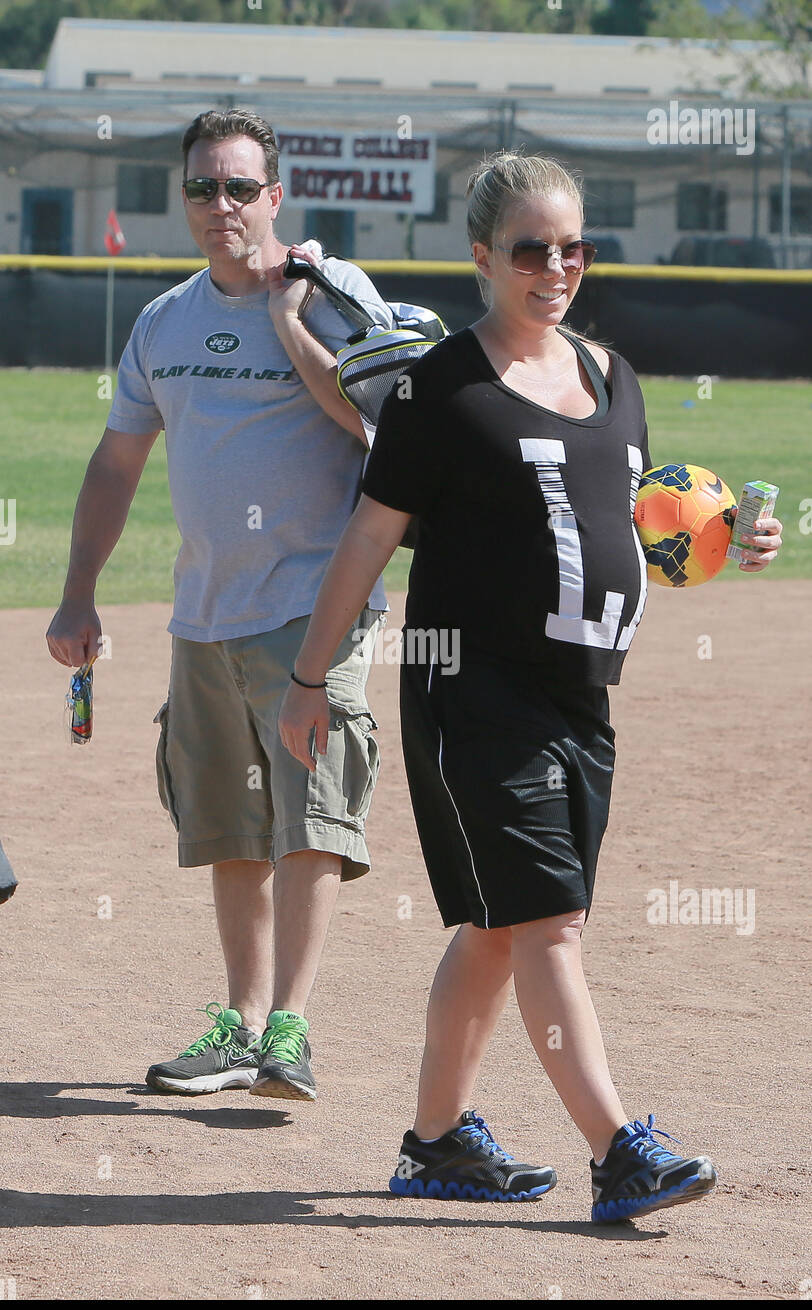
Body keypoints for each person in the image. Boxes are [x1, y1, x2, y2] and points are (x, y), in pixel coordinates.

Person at [276, 151, 783, 1221]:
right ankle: (619, 1153)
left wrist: (725, 539)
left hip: (579, 699)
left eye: (573, 248)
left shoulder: (610, 373)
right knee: (550, 921)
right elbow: (367, 538)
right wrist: (309, 677)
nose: (556, 267)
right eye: (530, 250)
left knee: (502, 926)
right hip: (473, 692)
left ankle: (435, 1144)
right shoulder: (440, 390)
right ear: (481, 257)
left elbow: (625, 520)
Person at [46, 109, 392, 1104]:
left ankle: (290, 1028)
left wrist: (289, 324)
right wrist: (77, 592)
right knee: (232, 825)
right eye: (203, 187)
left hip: (313, 604)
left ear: (275, 196)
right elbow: (116, 463)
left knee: (311, 813)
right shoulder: (163, 321)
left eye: (240, 187)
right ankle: (239, 1025)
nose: (221, 205)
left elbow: (380, 429)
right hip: (203, 615)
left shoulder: (334, 293)